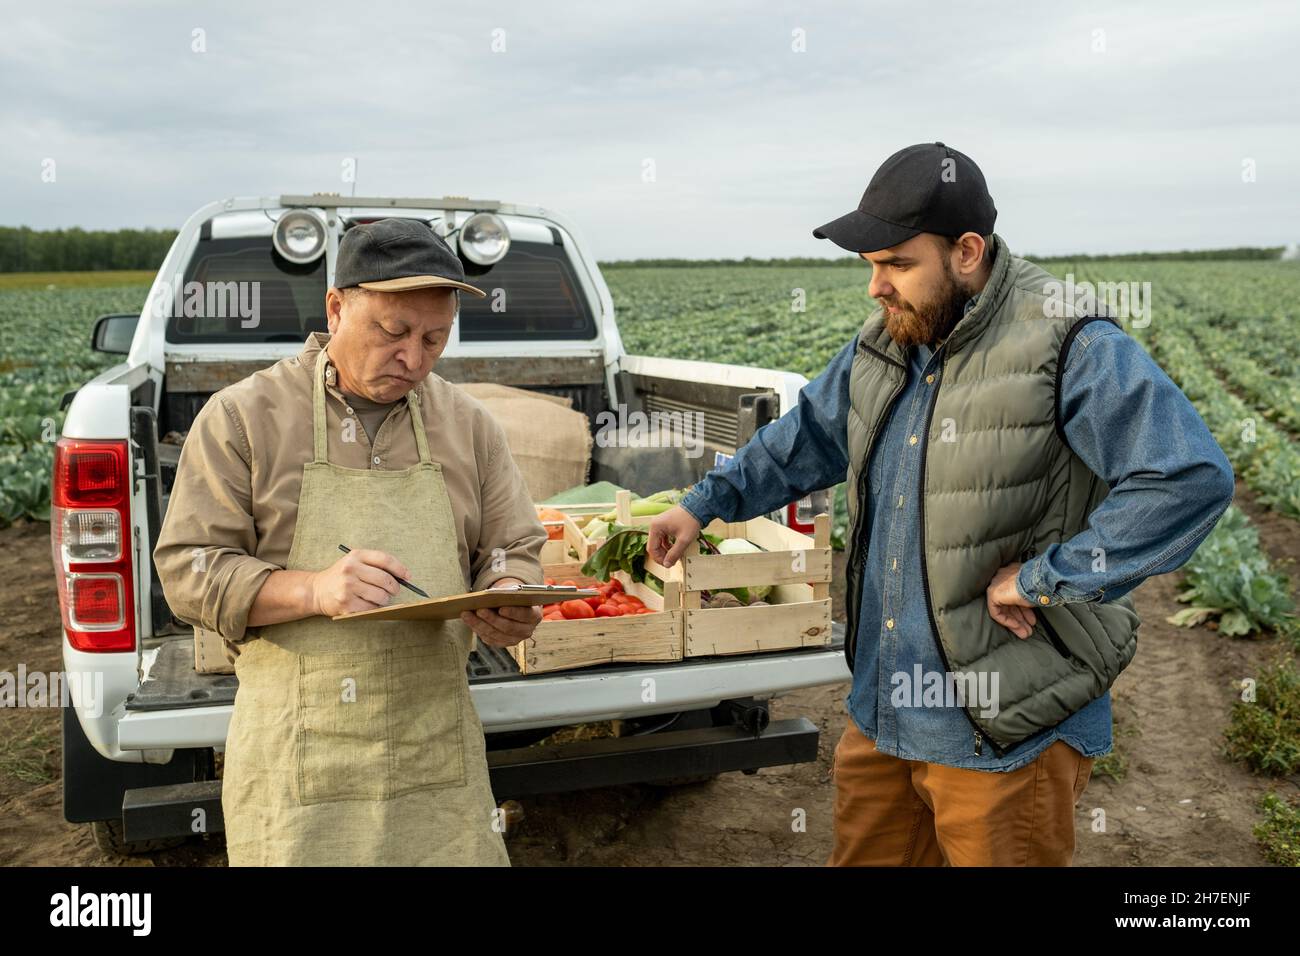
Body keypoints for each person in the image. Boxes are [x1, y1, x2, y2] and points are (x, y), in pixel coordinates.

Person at [648, 143, 1236, 866]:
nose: (876, 287)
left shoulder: (1066, 340)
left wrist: (1047, 577)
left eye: (896, 263)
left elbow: (1187, 476)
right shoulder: (887, 342)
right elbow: (804, 439)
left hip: (1001, 725)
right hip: (884, 712)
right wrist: (703, 504)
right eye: (869, 266)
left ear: (966, 252)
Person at [154, 217, 547, 865]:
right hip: (299, 761)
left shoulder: (468, 425)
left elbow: (510, 545)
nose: (415, 359)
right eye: (393, 333)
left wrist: (508, 594)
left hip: (435, 752)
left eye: (434, 338)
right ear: (336, 308)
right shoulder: (244, 417)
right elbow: (191, 572)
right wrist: (313, 589)